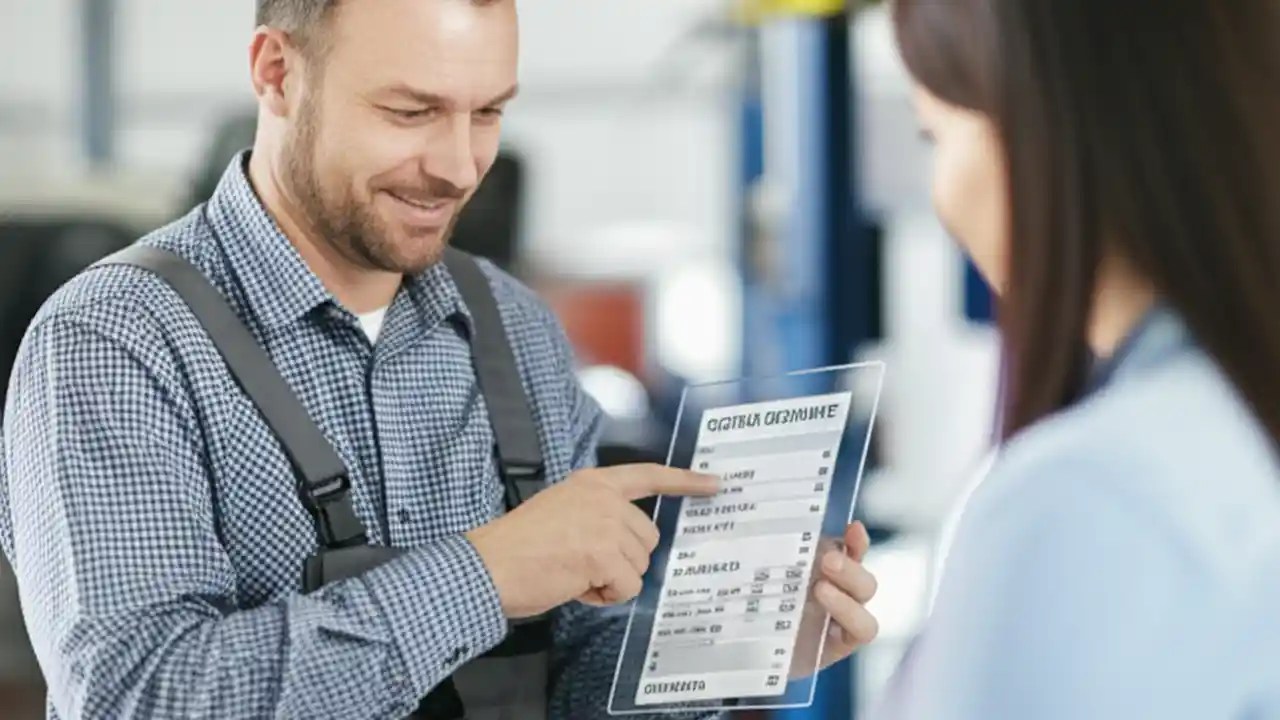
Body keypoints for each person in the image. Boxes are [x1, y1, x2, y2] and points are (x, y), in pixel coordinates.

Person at [0, 1, 881, 718]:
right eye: (411, 111)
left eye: (488, 111)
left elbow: (563, 671)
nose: (459, 166)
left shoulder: (512, 325)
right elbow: (136, 699)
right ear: (277, 72)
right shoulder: (114, 344)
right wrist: (488, 571)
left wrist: (727, 645)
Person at [876, 1, 1280, 717]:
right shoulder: (1222, 436)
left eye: (933, 135)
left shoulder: (1089, 497)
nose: (942, 194)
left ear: (1037, 134)